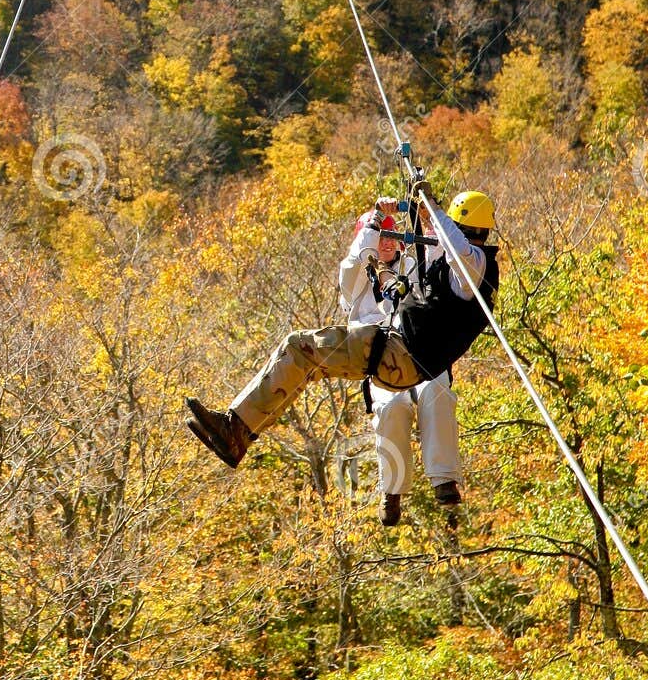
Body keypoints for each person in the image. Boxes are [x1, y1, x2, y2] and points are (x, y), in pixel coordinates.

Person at [186, 190, 498, 471]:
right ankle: (239, 433)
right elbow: (436, 249)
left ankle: (235, 428)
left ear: (460, 225)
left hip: (400, 353)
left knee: (299, 347)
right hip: (400, 354)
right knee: (305, 362)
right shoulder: (458, 272)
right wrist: (423, 215)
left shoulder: (475, 266)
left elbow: (455, 247)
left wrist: (434, 209)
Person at [340, 203, 466, 527]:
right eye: (378, 236)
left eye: (390, 235)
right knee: (392, 407)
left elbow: (440, 250)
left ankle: (444, 479)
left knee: (436, 391)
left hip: (419, 348)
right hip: (382, 359)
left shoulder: (413, 263)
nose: (385, 242)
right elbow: (354, 260)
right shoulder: (356, 282)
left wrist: (423, 213)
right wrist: (374, 219)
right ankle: (393, 490)